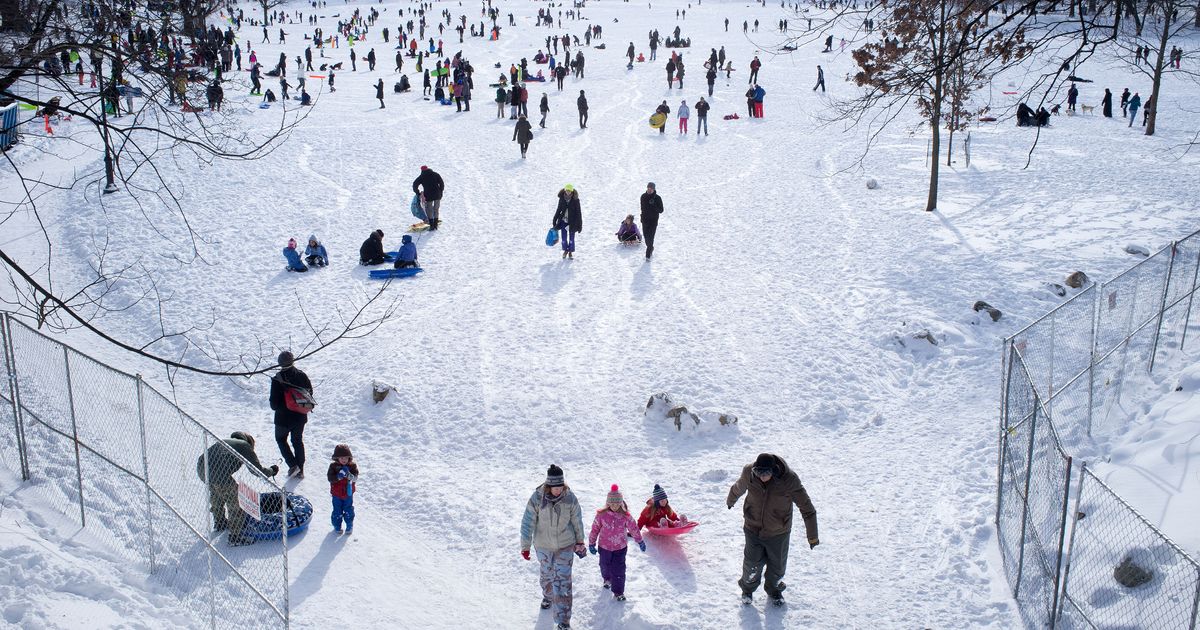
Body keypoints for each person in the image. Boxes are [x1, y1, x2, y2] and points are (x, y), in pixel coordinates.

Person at [727, 453, 819, 606]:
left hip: (778, 532)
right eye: (759, 473)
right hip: (752, 527)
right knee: (752, 564)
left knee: (777, 567)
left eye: (766, 473)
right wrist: (731, 499)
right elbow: (739, 487)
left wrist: (812, 536)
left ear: (774, 470)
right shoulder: (749, 473)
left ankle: (774, 590)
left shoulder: (789, 480)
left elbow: (807, 508)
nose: (762, 477)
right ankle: (747, 589)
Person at [520, 464, 586, 630]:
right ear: (548, 485)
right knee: (547, 574)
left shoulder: (570, 498)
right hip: (543, 545)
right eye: (554, 487)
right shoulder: (537, 498)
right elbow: (528, 521)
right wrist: (525, 545)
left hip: (565, 545)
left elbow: (577, 521)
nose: (557, 490)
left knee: (563, 581)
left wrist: (580, 541)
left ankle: (563, 621)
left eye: (560, 487)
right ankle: (548, 596)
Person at [195, 431, 278, 546]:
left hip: (202, 469)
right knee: (235, 501)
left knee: (217, 492)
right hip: (219, 473)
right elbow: (257, 470)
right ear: (250, 442)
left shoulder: (227, 441)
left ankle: (220, 523)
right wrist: (272, 470)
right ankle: (236, 536)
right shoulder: (245, 446)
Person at [588, 485, 645, 602]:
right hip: (604, 547)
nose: (614, 506)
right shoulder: (601, 515)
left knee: (619, 569)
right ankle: (607, 579)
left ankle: (619, 592)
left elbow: (633, 528)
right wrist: (591, 543)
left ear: (621, 503)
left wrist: (640, 540)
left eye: (617, 504)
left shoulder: (625, 516)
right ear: (608, 503)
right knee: (604, 565)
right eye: (611, 504)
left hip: (620, 548)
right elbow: (595, 529)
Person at [270, 351, 313, 479]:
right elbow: (310, 393)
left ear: (279, 363)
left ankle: (293, 465)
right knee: (297, 441)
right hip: (300, 416)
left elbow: (273, 404)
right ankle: (300, 470)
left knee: (281, 439)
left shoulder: (277, 379)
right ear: (293, 361)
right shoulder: (302, 375)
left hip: (283, 418)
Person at [327, 443, 359, 535]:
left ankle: (349, 525)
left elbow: (356, 477)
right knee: (337, 510)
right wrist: (338, 477)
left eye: (346, 457)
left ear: (349, 457)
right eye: (341, 458)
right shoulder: (333, 467)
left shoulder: (352, 466)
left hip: (348, 494)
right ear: (337, 458)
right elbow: (330, 478)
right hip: (336, 494)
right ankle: (337, 525)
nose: (344, 460)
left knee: (348, 509)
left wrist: (351, 476)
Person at [552, 184, 582, 259]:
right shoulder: (562, 199)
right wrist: (554, 220)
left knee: (571, 239)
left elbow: (579, 213)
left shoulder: (575, 200)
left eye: (569, 191)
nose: (568, 192)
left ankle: (570, 252)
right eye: (567, 190)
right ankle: (565, 250)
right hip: (563, 222)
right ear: (565, 190)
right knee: (564, 239)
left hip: (572, 223)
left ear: (571, 191)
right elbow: (558, 210)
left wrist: (580, 225)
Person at [412, 166, 445, 230]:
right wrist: (441, 191)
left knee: (429, 210)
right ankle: (435, 225)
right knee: (436, 209)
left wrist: (418, 193)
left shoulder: (422, 177)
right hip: (437, 194)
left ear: (421, 170)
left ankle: (432, 226)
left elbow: (414, 185)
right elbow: (441, 183)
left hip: (429, 195)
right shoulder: (435, 174)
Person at [639, 182, 663, 258]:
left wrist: (654, 205)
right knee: (646, 238)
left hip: (653, 221)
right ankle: (651, 247)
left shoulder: (658, 198)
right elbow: (642, 208)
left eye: (651, 188)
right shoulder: (643, 196)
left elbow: (661, 210)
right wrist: (642, 218)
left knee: (651, 237)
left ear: (654, 189)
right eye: (648, 188)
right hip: (645, 221)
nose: (649, 190)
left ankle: (648, 255)